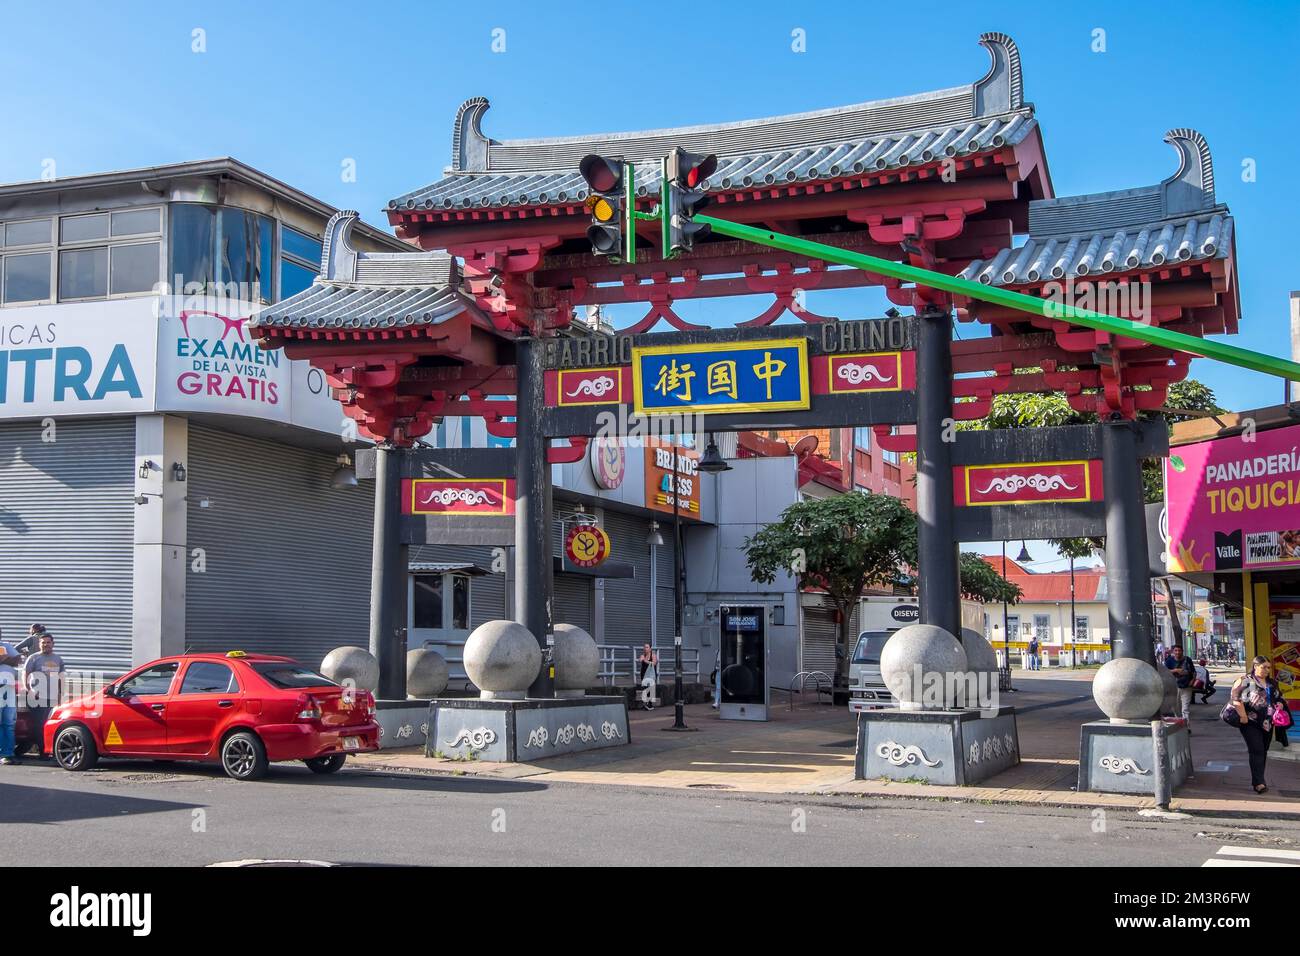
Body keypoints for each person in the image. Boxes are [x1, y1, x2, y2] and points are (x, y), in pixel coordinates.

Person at [1230, 656, 1276, 794]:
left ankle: (1259, 778)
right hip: (1250, 722)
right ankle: (1259, 783)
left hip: (1268, 722)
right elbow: (1236, 699)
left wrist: (1279, 704)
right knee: (1256, 750)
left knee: (1263, 751)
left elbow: (1278, 697)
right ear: (1255, 666)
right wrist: (1243, 716)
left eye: (1269, 667)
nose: (1267, 670)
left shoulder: (1271, 683)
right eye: (1264, 667)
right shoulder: (1245, 681)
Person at [22, 632, 65, 760]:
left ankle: (46, 750)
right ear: (39, 644)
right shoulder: (33, 658)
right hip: (36, 697)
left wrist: (60, 695)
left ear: (53, 644)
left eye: (48, 642)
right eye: (43, 642)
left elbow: (61, 678)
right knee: (39, 724)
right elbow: (25, 674)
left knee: (50, 724)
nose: (46, 645)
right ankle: (43, 752)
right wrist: (29, 690)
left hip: (52, 697)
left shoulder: (58, 659)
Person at [1164, 644, 1196, 727]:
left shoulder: (1187, 660)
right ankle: (1179, 725)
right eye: (1176, 651)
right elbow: (1165, 672)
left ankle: (1187, 727)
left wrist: (1192, 681)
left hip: (1186, 687)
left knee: (1185, 708)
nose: (1178, 652)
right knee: (1176, 709)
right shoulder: (1169, 661)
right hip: (1174, 687)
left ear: (1182, 651)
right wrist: (1175, 670)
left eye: (1179, 650)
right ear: (1173, 652)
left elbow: (1193, 672)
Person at [0, 632, 19, 766]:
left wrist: (4, 658)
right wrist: (6, 658)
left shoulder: (6, 645)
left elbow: (17, 660)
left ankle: (8, 754)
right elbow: (11, 660)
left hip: (10, 688)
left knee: (9, 723)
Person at [637, 643, 659, 711]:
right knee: (645, 688)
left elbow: (654, 663)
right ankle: (646, 704)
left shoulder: (654, 655)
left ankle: (650, 704)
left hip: (651, 674)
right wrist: (641, 659)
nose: (645, 649)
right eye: (644, 647)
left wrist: (645, 661)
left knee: (650, 688)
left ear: (650, 648)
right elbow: (640, 660)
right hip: (644, 674)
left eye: (647, 647)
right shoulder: (643, 655)